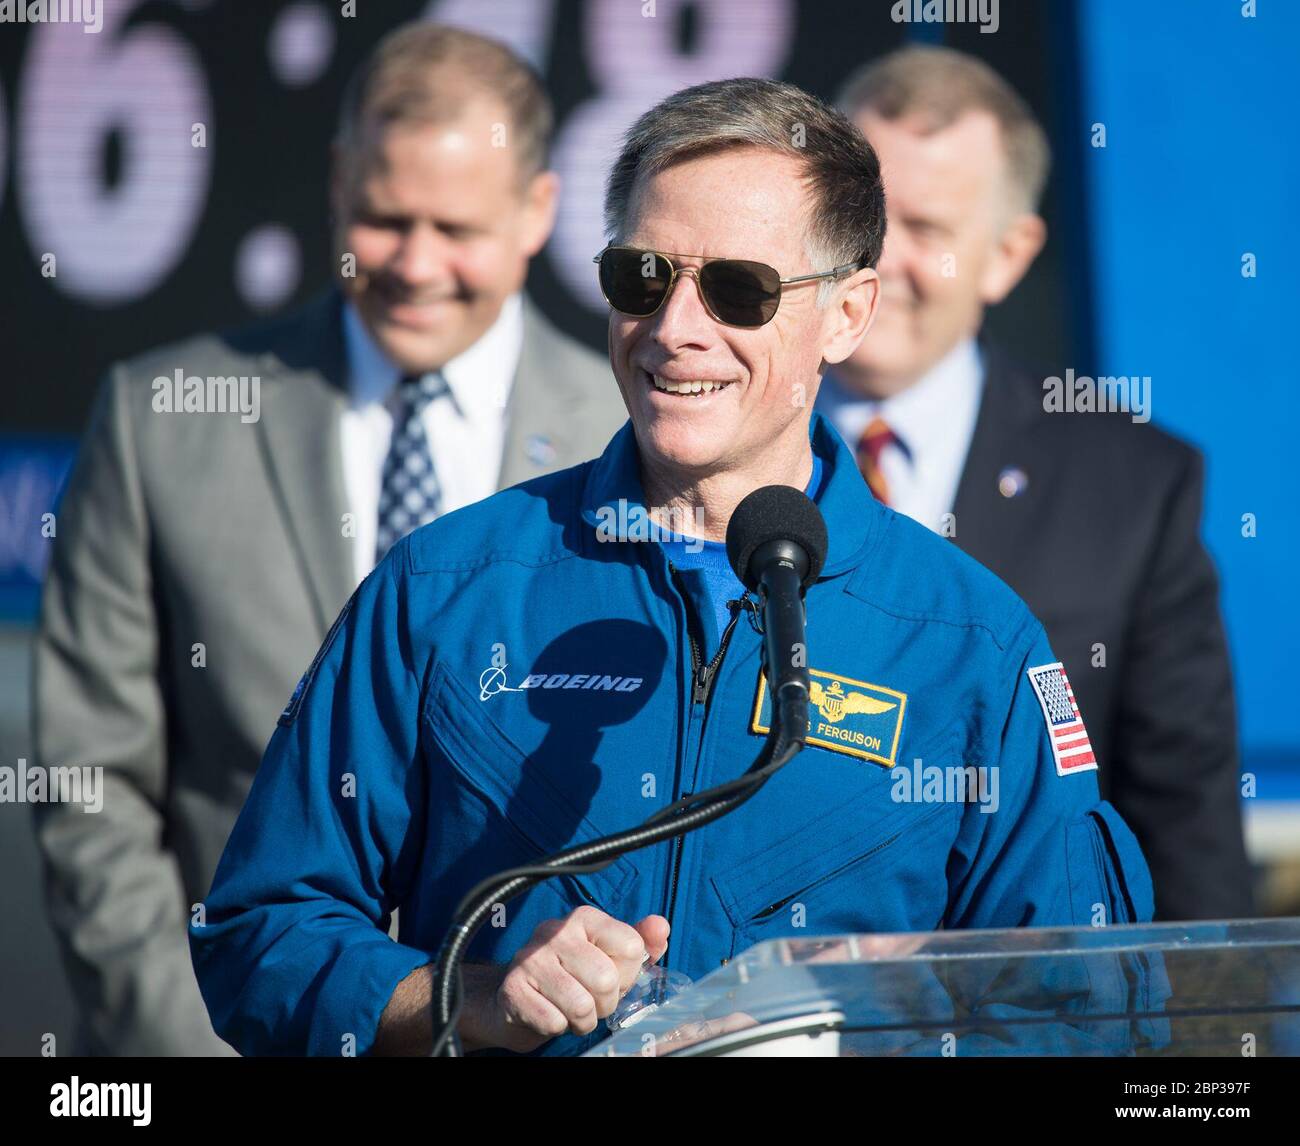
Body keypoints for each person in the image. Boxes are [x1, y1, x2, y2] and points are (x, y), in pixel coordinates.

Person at [190, 76, 1156, 1059]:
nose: (673, 327)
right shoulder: (445, 587)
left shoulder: (970, 646)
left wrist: (844, 1031)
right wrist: (469, 998)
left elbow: (1074, 1011)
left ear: (847, 314)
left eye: (738, 289)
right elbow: (259, 931)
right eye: (641, 277)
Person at [32, 23, 626, 1056]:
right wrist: (199, 1033)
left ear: (537, 211)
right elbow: (92, 784)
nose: (416, 264)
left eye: (458, 228)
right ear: (339, 182)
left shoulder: (626, 436)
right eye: (387, 218)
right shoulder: (161, 418)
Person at [820, 46, 1251, 921]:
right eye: (862, 218)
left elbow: (1181, 816)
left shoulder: (1132, 484)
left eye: (929, 230)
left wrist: (1202, 1047)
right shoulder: (696, 432)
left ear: (1007, 255)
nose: (878, 263)